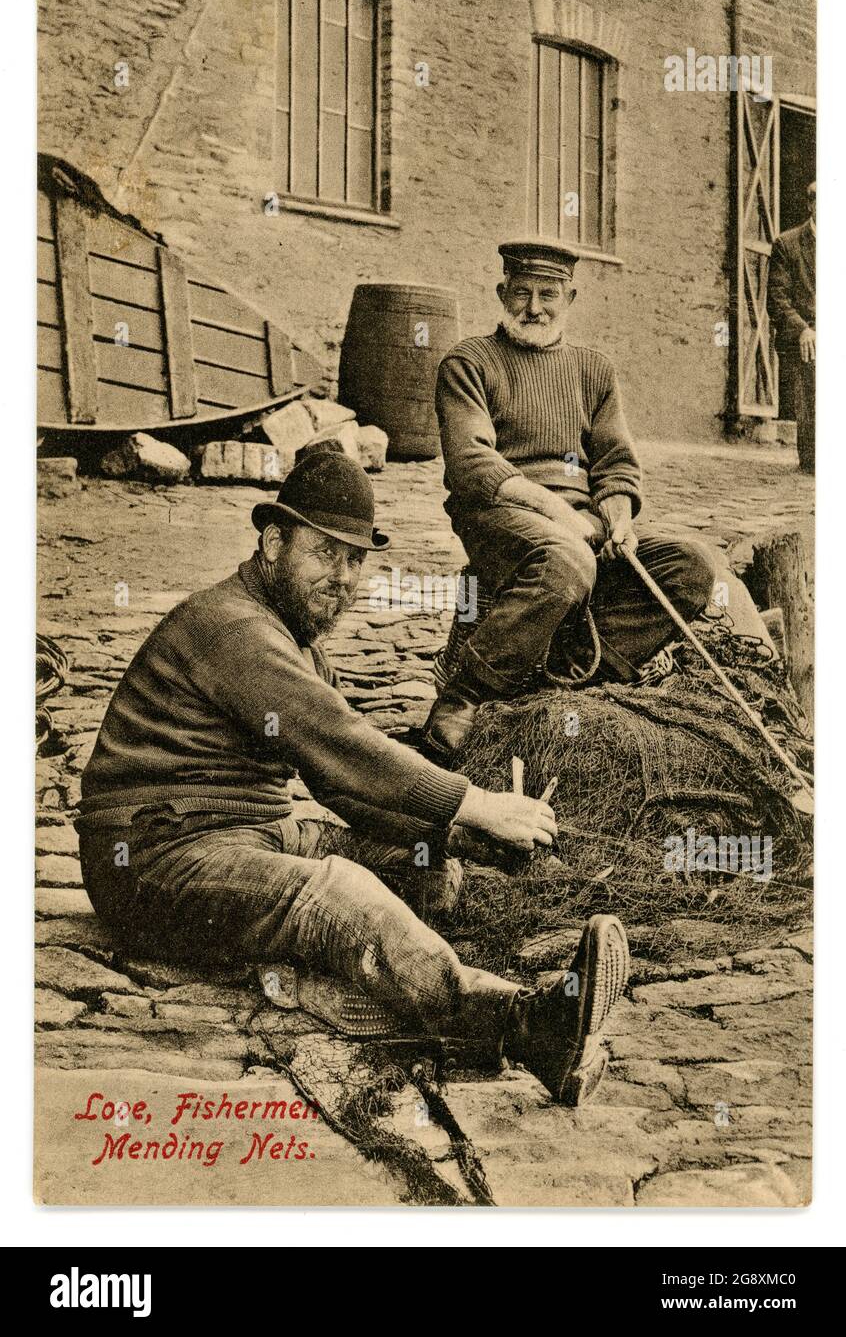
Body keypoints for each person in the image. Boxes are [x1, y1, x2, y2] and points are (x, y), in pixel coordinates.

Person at [76, 450, 629, 1105]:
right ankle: (526, 1028)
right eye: (326, 554)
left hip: (251, 834)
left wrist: (454, 835)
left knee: (417, 859)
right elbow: (347, 747)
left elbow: (341, 788)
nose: (342, 578)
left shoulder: (297, 640)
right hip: (152, 861)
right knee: (335, 893)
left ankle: (396, 961)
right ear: (274, 542)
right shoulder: (233, 629)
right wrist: (474, 804)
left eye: (356, 559)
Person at [424, 237, 757, 755]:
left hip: (583, 523)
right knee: (568, 561)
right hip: (500, 512)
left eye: (549, 294)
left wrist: (617, 516)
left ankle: (575, 673)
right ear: (501, 291)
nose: (534, 307)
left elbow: (616, 463)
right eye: (522, 293)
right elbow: (471, 464)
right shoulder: (468, 362)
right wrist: (562, 514)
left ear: (571, 299)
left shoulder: (593, 369)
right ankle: (466, 692)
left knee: (690, 566)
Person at [767, 181, 815, 474]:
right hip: (804, 335)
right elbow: (777, 298)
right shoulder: (787, 244)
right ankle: (814, 458)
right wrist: (803, 329)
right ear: (811, 206)